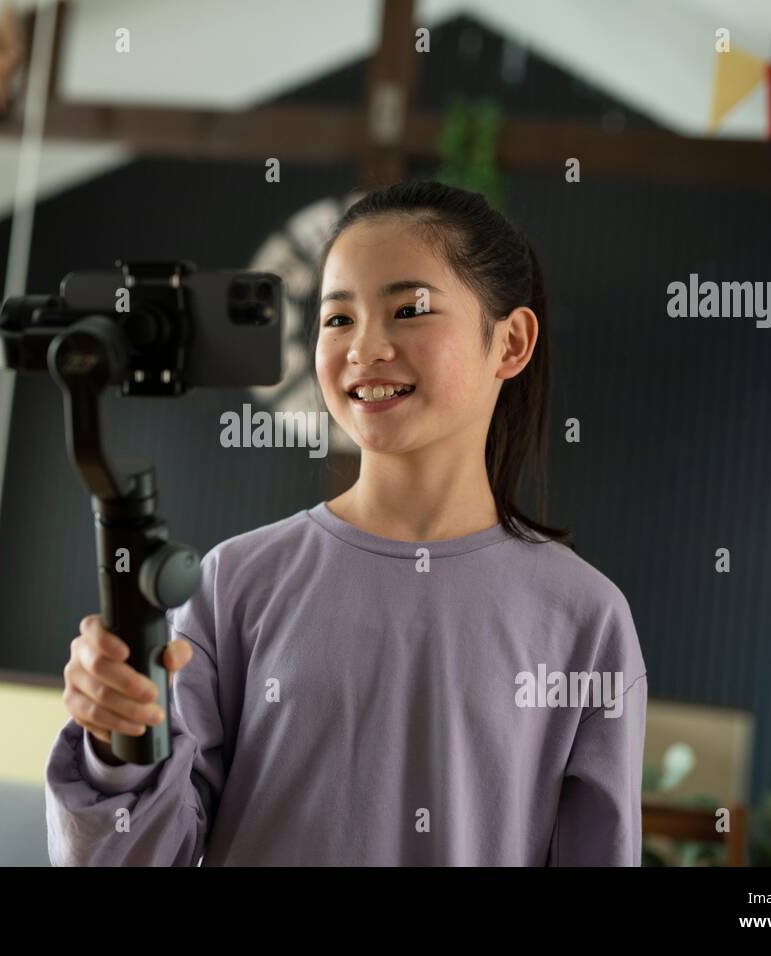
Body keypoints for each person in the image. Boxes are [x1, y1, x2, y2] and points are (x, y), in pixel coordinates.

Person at [45, 180, 647, 866]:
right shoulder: (235, 582)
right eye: (338, 319)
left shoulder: (585, 617)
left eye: (409, 309)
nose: (364, 348)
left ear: (510, 342)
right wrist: (113, 744)